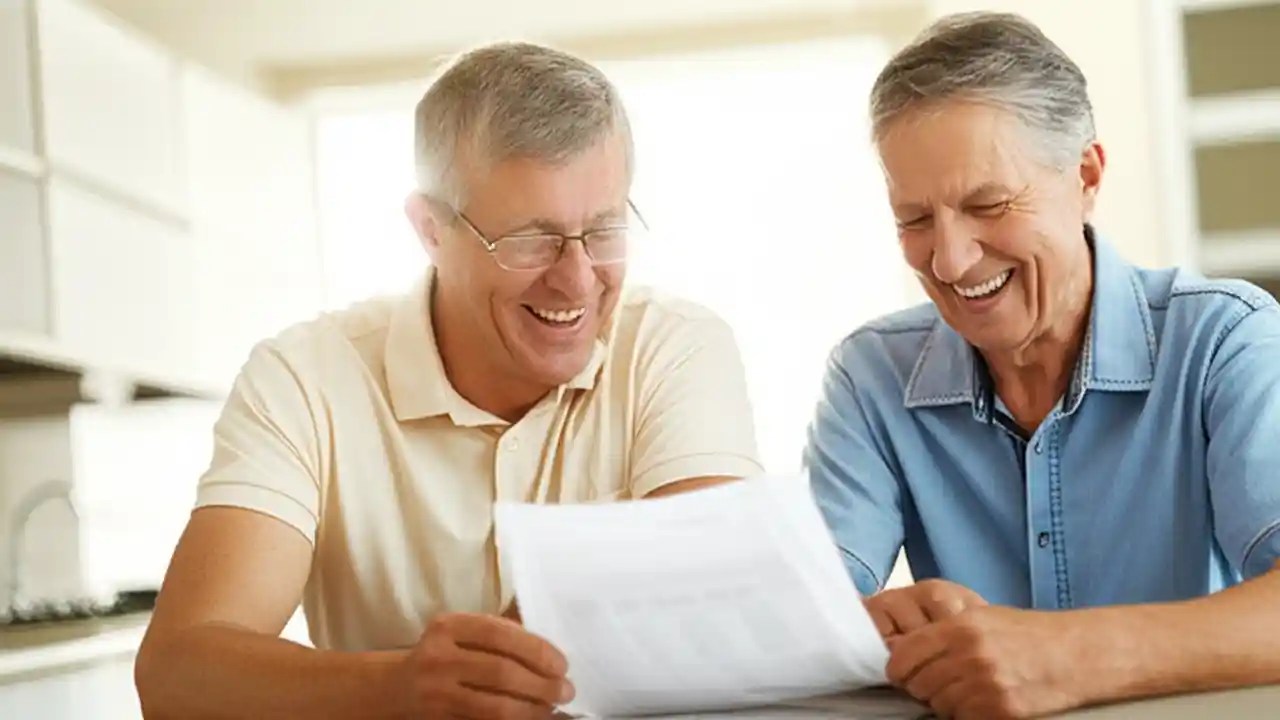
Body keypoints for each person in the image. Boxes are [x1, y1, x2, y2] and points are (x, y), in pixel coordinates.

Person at [135, 42, 763, 719]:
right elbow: (176, 674)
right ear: (430, 229)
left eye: (604, 230)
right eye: (531, 238)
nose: (577, 279)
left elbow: (719, 600)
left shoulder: (674, 345)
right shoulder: (303, 380)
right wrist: (396, 686)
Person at [805, 11, 1280, 720]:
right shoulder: (871, 376)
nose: (949, 259)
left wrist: (1064, 656)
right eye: (915, 219)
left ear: (1086, 175)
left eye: (987, 205)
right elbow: (801, 618)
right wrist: (869, 629)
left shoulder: (1224, 340)